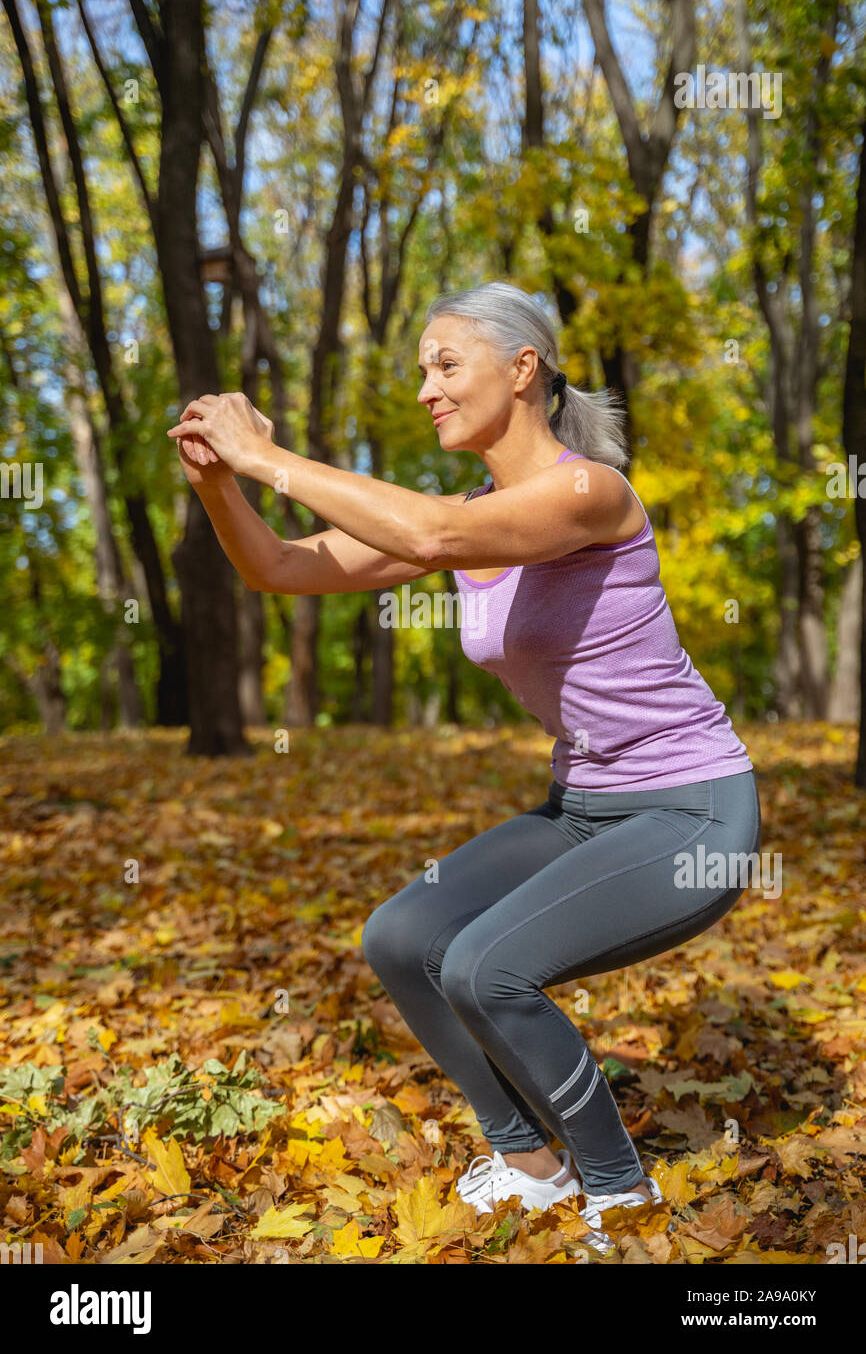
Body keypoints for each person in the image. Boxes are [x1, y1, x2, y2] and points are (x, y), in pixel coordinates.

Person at [168, 280, 761, 1256]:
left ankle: (621, 1193)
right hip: (581, 806)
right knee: (404, 935)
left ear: (523, 368)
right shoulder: (466, 514)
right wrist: (218, 483)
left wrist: (267, 455)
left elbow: (430, 537)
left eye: (445, 364)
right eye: (421, 371)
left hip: (690, 811)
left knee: (487, 966)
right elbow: (281, 567)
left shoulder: (588, 493)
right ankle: (529, 1162)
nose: (425, 390)